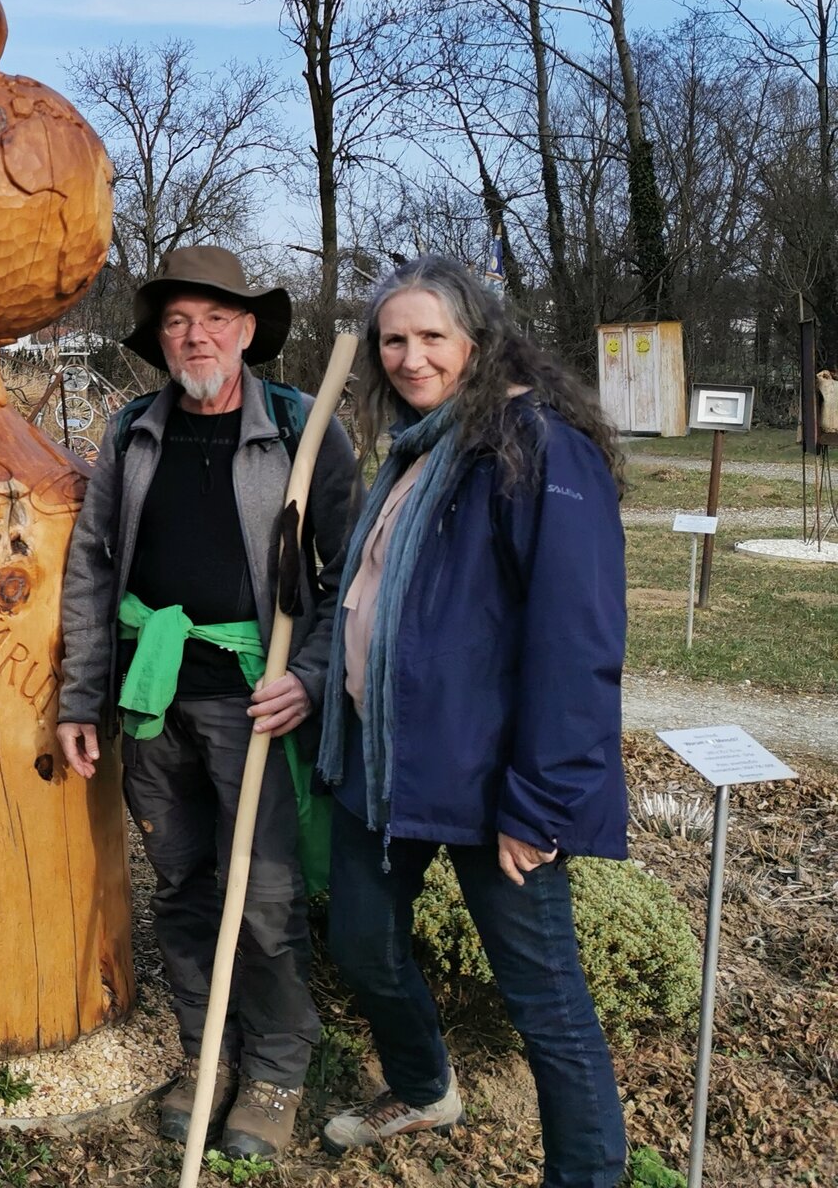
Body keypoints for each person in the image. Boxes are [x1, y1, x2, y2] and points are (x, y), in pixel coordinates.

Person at [314, 257, 628, 1186]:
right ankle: (422, 1086)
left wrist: (542, 803)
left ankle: (590, 1173)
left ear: (479, 342)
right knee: (362, 942)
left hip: (494, 779)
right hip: (386, 757)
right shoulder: (420, 450)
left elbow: (577, 639)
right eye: (393, 340)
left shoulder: (534, 444)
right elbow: (370, 597)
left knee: (544, 997)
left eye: (432, 338)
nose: (411, 358)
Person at [57, 245, 358, 1162]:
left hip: (252, 704)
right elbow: (93, 564)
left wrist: (306, 675)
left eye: (216, 320)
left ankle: (276, 1067)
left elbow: (350, 576)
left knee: (262, 892)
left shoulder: (306, 432)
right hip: (153, 699)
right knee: (184, 882)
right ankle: (207, 1048)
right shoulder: (134, 430)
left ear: (248, 331)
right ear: (160, 338)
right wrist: (83, 693)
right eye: (180, 322)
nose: (198, 336)